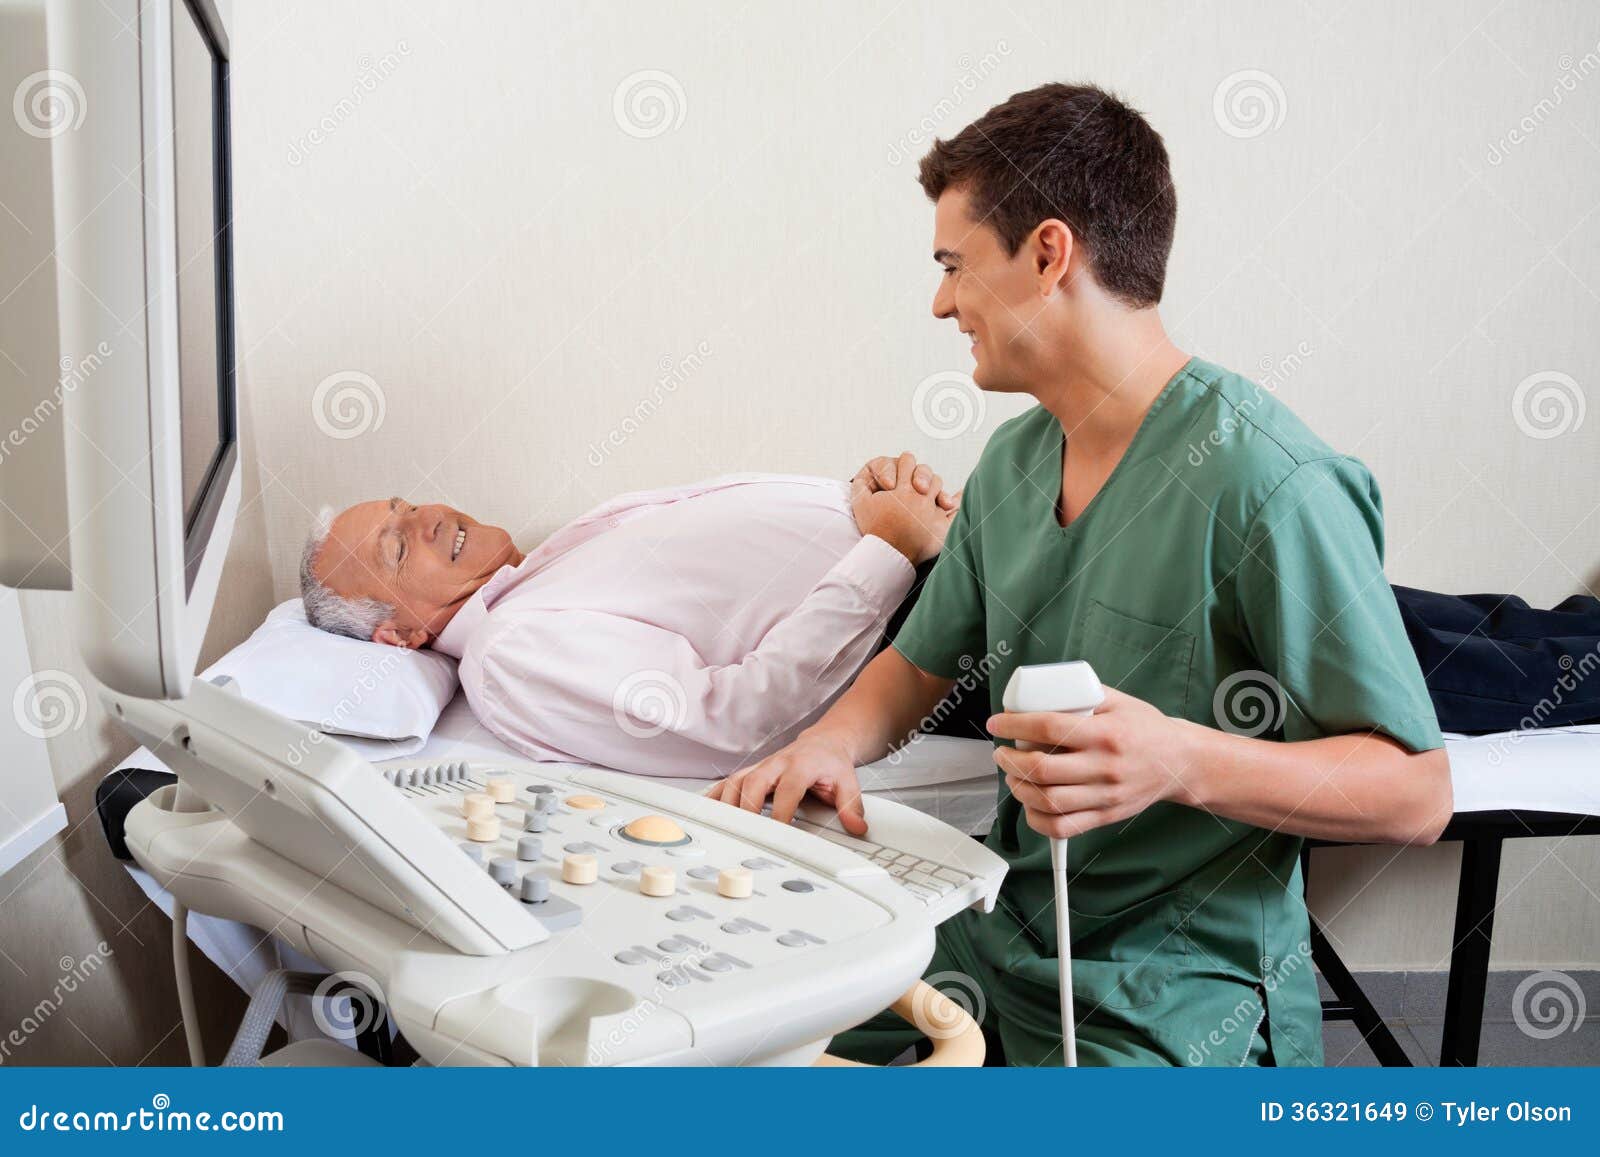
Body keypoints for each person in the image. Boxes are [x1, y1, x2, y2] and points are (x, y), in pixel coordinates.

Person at [707, 82, 1453, 1067]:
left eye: (953, 265)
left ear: (1048, 253)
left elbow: (1416, 792)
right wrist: (829, 744)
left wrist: (1178, 759)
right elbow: (920, 667)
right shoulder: (1016, 464)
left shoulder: (1268, 480)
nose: (939, 302)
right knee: (740, 1038)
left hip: (1176, 988)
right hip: (1004, 932)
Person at [299, 456, 963, 777]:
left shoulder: (534, 578)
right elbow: (736, 721)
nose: (428, 519)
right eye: (398, 544)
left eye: (407, 506)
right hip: (930, 626)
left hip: (940, 551)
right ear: (400, 633)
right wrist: (889, 546)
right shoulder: (509, 653)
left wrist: (863, 496)